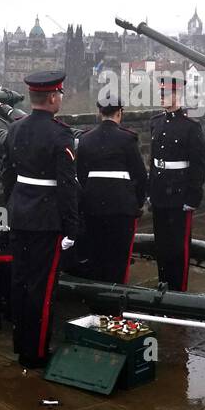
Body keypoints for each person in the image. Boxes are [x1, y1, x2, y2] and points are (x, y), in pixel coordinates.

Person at [1, 70, 81, 368]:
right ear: (51, 97)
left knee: (20, 282)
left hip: (20, 214)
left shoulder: (16, 129)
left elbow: (7, 175)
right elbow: (67, 186)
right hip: (46, 220)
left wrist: (9, 211)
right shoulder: (61, 134)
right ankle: (35, 352)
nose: (60, 98)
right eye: (59, 94)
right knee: (42, 287)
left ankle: (21, 345)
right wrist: (71, 228)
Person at [75, 94, 148, 283]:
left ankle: (98, 300)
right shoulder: (127, 139)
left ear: (100, 112)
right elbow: (140, 175)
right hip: (121, 208)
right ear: (120, 113)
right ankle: (115, 304)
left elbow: (81, 176)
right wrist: (137, 203)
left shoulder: (85, 139)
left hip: (92, 208)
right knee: (119, 259)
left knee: (96, 255)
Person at [148, 68, 205, 290]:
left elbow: (198, 164)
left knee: (178, 247)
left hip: (180, 193)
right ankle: (163, 282)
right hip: (160, 192)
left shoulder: (191, 127)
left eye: (167, 93)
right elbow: (153, 160)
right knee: (161, 245)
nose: (162, 97)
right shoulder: (156, 122)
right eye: (161, 92)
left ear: (178, 95)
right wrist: (149, 191)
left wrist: (192, 197)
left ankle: (177, 289)